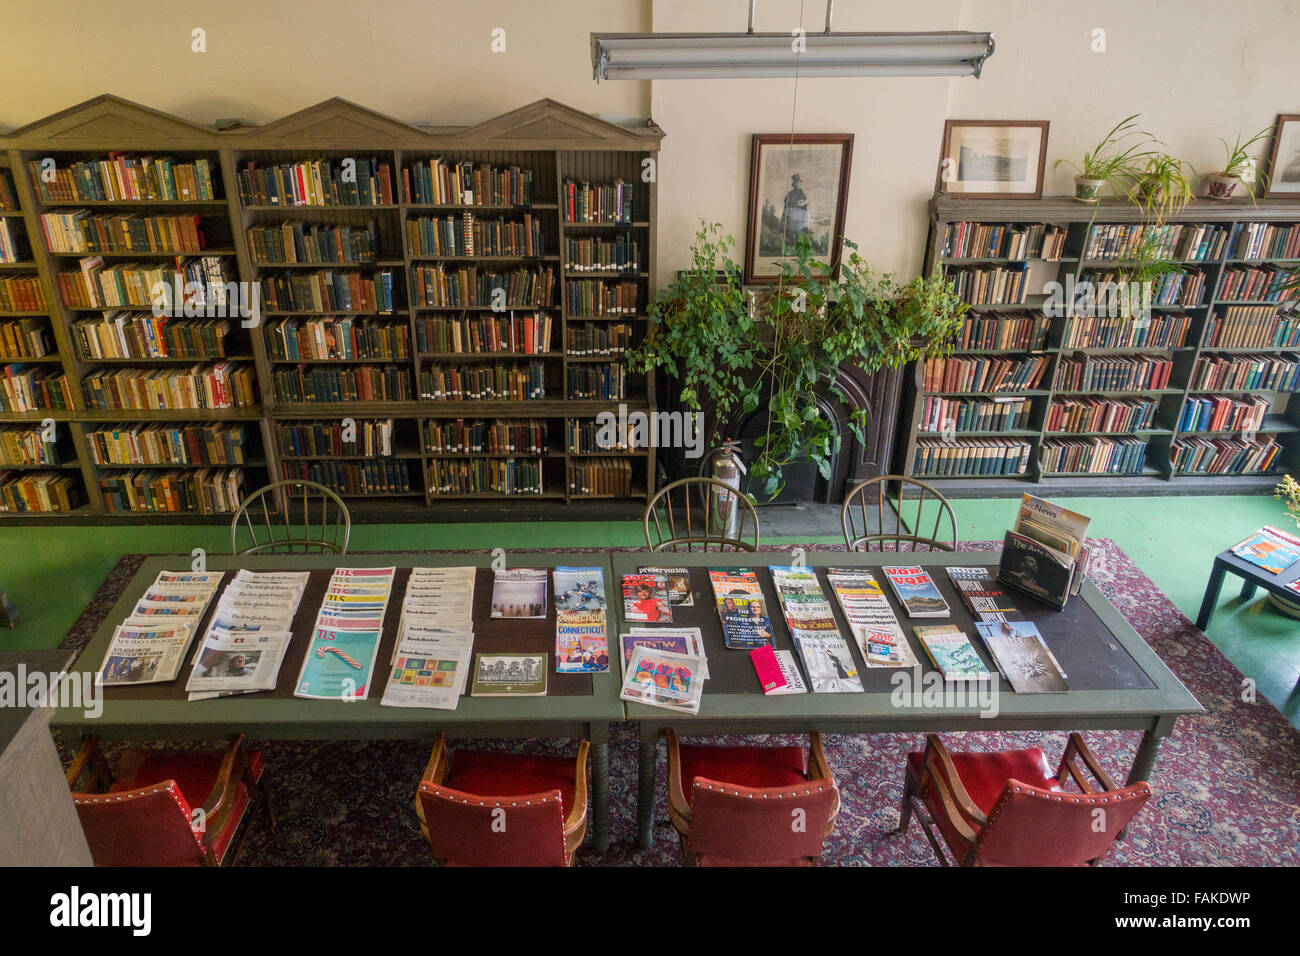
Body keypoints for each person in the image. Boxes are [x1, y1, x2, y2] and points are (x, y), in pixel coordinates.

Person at [780, 173, 809, 250]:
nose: (799, 184)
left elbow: (805, 201)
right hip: (791, 215)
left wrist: (803, 202)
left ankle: (797, 247)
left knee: (798, 232)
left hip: (799, 215)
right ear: (794, 184)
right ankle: (789, 247)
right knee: (790, 230)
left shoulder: (801, 192)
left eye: (799, 182)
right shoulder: (790, 193)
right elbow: (787, 206)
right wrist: (798, 203)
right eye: (797, 182)